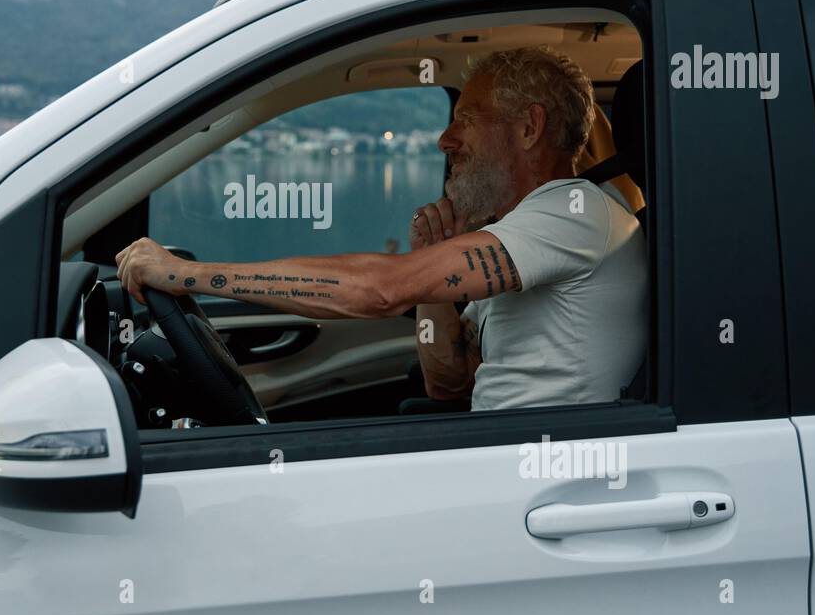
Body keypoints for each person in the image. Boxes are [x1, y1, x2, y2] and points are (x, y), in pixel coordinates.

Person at [117, 46, 648, 412]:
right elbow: (448, 384)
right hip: (499, 460)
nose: (445, 139)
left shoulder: (576, 213)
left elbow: (380, 290)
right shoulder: (523, 237)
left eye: (466, 118)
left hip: (534, 478)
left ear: (529, 127)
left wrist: (184, 274)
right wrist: (435, 278)